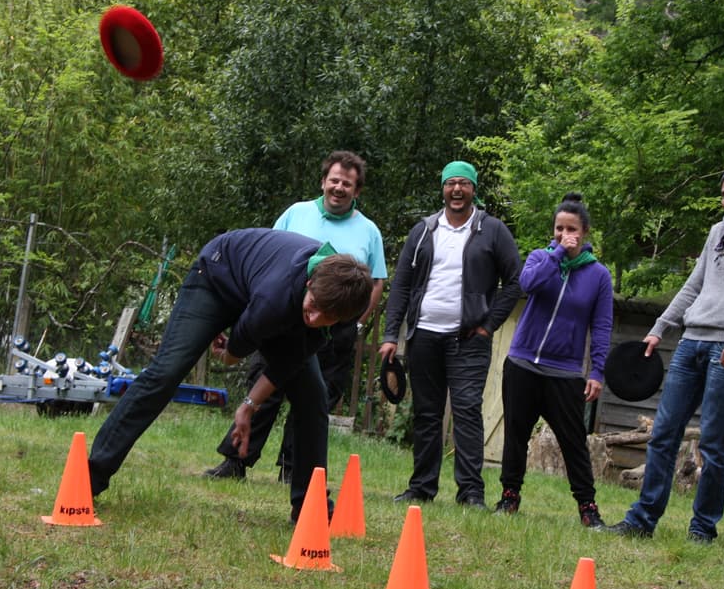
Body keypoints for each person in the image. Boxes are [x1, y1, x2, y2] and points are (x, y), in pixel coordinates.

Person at [87, 228, 373, 522]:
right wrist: (227, 351)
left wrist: (248, 406)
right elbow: (237, 349)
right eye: (313, 307)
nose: (314, 319)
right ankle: (88, 480)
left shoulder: (336, 305)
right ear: (310, 282)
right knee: (166, 373)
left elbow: (288, 364)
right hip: (216, 276)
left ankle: (309, 511)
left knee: (313, 399)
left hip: (265, 293)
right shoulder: (277, 295)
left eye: (326, 317)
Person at [604, 164, 724, 542]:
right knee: (663, 433)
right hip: (692, 340)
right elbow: (693, 286)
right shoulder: (717, 232)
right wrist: (660, 328)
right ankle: (642, 519)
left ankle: (703, 529)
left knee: (712, 441)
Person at [204, 151, 387, 482]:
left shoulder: (369, 231)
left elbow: (377, 281)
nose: (339, 188)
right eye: (334, 180)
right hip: (285, 317)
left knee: (314, 397)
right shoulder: (296, 213)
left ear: (357, 191)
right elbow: (269, 259)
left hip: (336, 329)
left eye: (347, 183)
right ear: (323, 182)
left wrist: (357, 322)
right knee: (264, 382)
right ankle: (235, 460)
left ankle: (293, 468)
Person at [378, 160, 521, 508]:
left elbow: (515, 282)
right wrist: (390, 334)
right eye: (450, 183)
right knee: (426, 413)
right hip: (423, 335)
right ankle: (422, 488)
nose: (456, 189)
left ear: (473, 189)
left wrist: (488, 326)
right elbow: (401, 285)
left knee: (467, 410)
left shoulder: (492, 230)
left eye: (464, 184)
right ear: (442, 189)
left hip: (469, 339)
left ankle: (471, 492)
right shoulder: (424, 231)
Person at [494, 193, 613, 528]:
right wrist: (558, 253)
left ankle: (588, 509)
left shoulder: (598, 276)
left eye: (571, 229)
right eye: (559, 228)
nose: (564, 234)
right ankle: (509, 497)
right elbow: (528, 285)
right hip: (522, 364)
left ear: (585, 232)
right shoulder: (539, 258)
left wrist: (598, 370)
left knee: (573, 440)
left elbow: (601, 326)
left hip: (564, 371)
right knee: (516, 434)